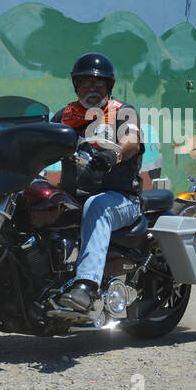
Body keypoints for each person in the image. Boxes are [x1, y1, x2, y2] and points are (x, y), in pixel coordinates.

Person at [51, 53, 145, 314]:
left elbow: (132, 143)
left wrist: (111, 155)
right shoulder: (64, 115)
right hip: (73, 197)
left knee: (96, 205)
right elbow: (39, 144)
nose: (92, 89)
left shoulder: (122, 112)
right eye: (85, 83)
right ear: (76, 86)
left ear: (109, 86)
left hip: (121, 199)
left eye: (98, 84)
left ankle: (86, 286)